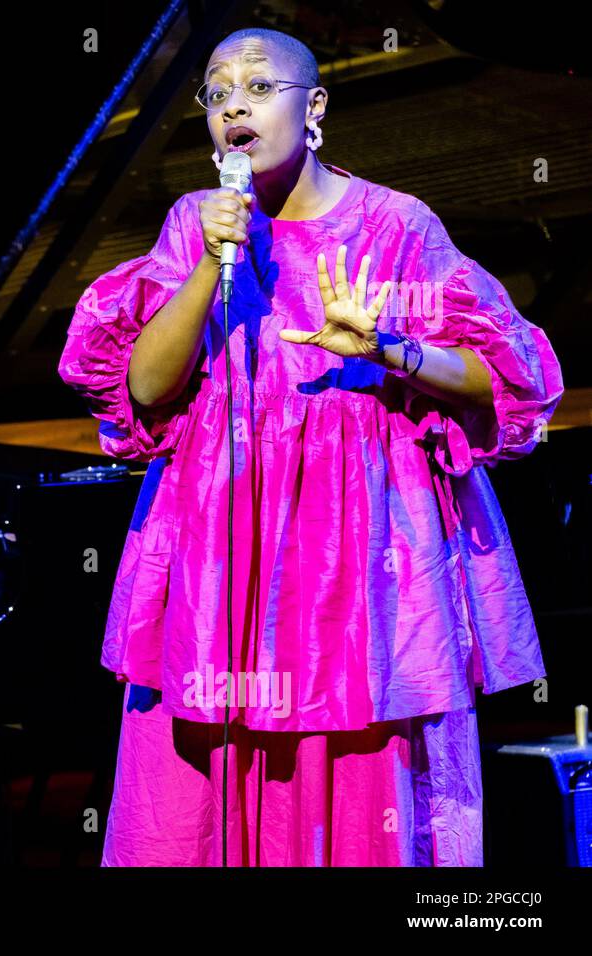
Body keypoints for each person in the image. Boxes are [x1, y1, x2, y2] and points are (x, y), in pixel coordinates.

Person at [57, 28, 564, 866]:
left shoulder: (398, 225)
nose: (234, 107)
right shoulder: (196, 222)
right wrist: (207, 265)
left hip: (364, 543)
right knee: (204, 774)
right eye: (217, 94)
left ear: (315, 106)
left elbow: (504, 378)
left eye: (258, 87)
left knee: (362, 767)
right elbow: (145, 388)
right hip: (223, 541)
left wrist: (388, 349)